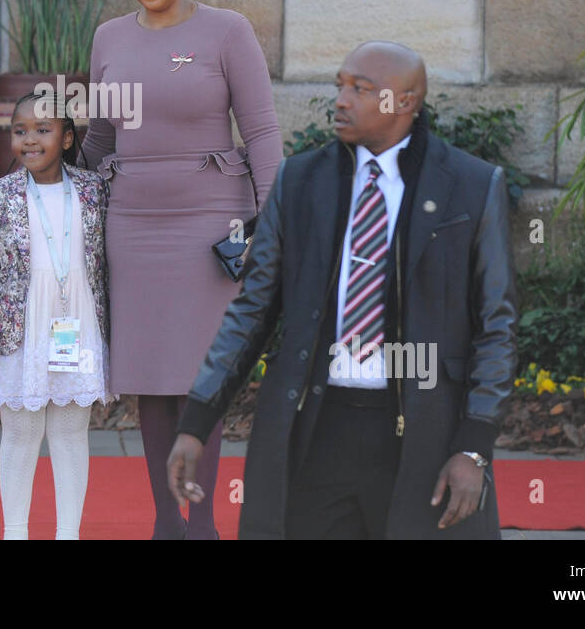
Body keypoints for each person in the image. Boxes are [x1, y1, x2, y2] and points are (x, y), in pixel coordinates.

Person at [168, 40, 519, 539]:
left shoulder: (471, 185)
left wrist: (473, 446)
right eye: (340, 85)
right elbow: (252, 310)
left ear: (406, 101)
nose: (341, 99)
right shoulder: (302, 181)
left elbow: (497, 328)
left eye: (361, 89)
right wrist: (197, 421)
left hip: (422, 433)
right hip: (314, 426)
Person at [79, 0, 282, 539]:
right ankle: (167, 524)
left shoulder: (228, 32)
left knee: (201, 376)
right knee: (150, 381)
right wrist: (49, 189)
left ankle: (203, 523)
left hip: (208, 229)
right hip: (131, 226)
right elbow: (99, 138)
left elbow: (263, 133)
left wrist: (270, 227)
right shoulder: (109, 37)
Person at [0, 91, 115, 539]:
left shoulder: (93, 189)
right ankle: (15, 531)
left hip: (77, 322)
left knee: (70, 431)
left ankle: (68, 532)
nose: (29, 139)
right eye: (19, 131)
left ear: (67, 138)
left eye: (42, 130)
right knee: (22, 431)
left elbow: (111, 258)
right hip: (17, 328)